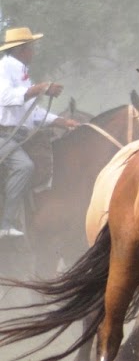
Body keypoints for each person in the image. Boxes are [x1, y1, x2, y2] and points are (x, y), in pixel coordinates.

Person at [0, 26, 78, 237]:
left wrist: (62, 121)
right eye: (31, 48)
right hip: (3, 135)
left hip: (17, 135)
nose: (33, 52)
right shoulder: (5, 67)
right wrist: (41, 88)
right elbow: (6, 98)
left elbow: (32, 113)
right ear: (22, 49)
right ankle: (6, 223)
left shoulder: (21, 73)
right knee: (24, 166)